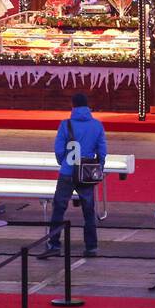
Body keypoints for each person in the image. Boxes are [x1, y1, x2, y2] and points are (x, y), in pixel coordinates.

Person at [45, 93, 107, 258]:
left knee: (59, 208)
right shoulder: (97, 125)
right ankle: (91, 246)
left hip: (67, 171)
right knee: (88, 210)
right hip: (86, 172)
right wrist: (99, 166)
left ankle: (54, 244)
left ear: (73, 106)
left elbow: (59, 148)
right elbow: (102, 150)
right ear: (88, 106)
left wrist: (63, 162)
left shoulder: (66, 124)